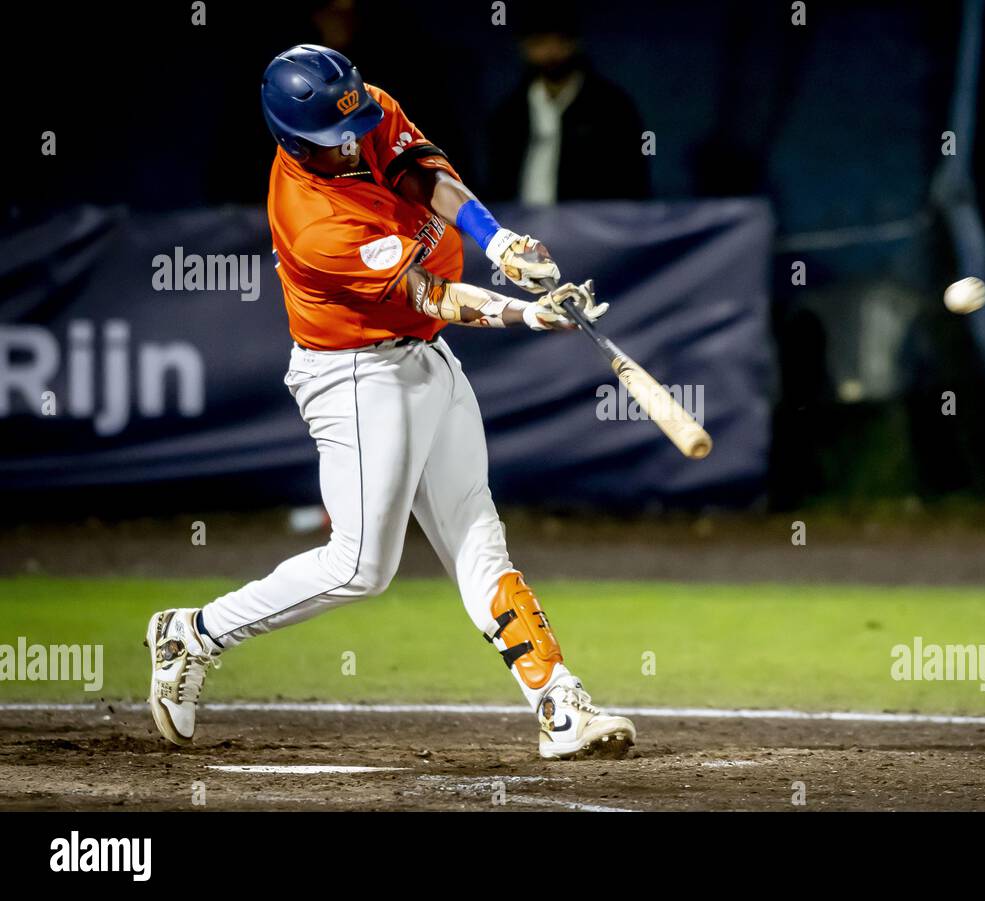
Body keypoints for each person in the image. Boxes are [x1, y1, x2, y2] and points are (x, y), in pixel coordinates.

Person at [145, 44, 635, 760]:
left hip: (424, 356)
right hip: (354, 374)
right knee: (360, 567)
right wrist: (528, 314)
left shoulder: (356, 105)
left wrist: (497, 241)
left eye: (355, 129)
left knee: (478, 537)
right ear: (293, 140)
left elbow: (421, 171)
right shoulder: (313, 221)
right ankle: (191, 633)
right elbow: (429, 293)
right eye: (334, 143)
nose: (352, 146)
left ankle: (558, 701)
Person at [485, 7, 649, 203]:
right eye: (539, 43)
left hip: (593, 227)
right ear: (524, 47)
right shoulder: (509, 113)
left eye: (559, 41)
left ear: (575, 43)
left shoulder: (611, 107)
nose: (550, 52)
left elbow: (632, 183)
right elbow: (497, 181)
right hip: (519, 227)